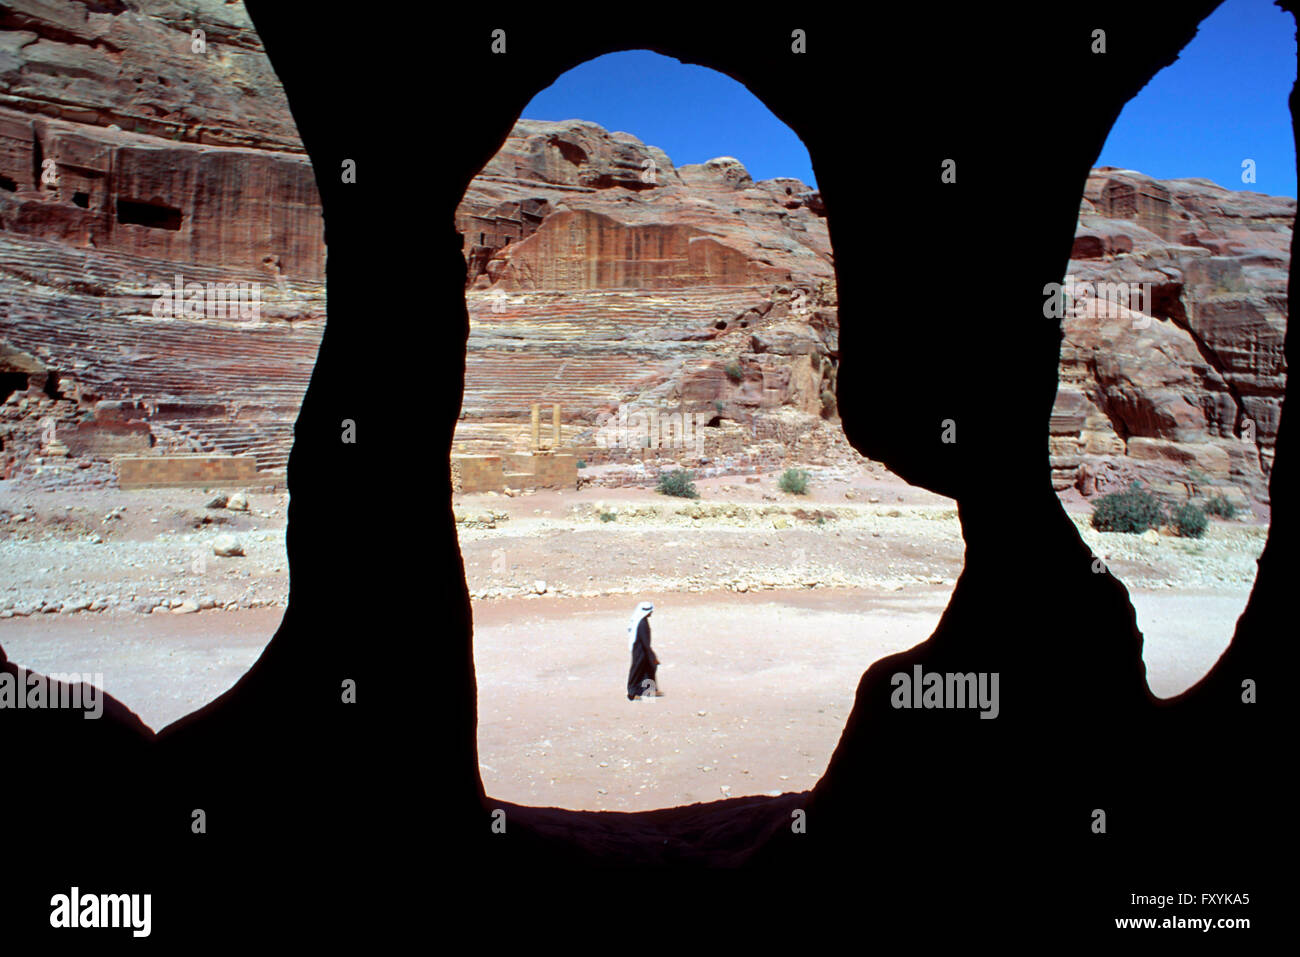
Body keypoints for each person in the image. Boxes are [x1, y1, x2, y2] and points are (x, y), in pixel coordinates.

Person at [626, 600, 664, 700]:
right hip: (640, 651)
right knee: (637, 670)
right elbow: (645, 642)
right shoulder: (642, 623)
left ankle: (649, 690)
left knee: (649, 668)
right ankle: (632, 692)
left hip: (642, 649)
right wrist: (652, 655)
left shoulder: (642, 620)